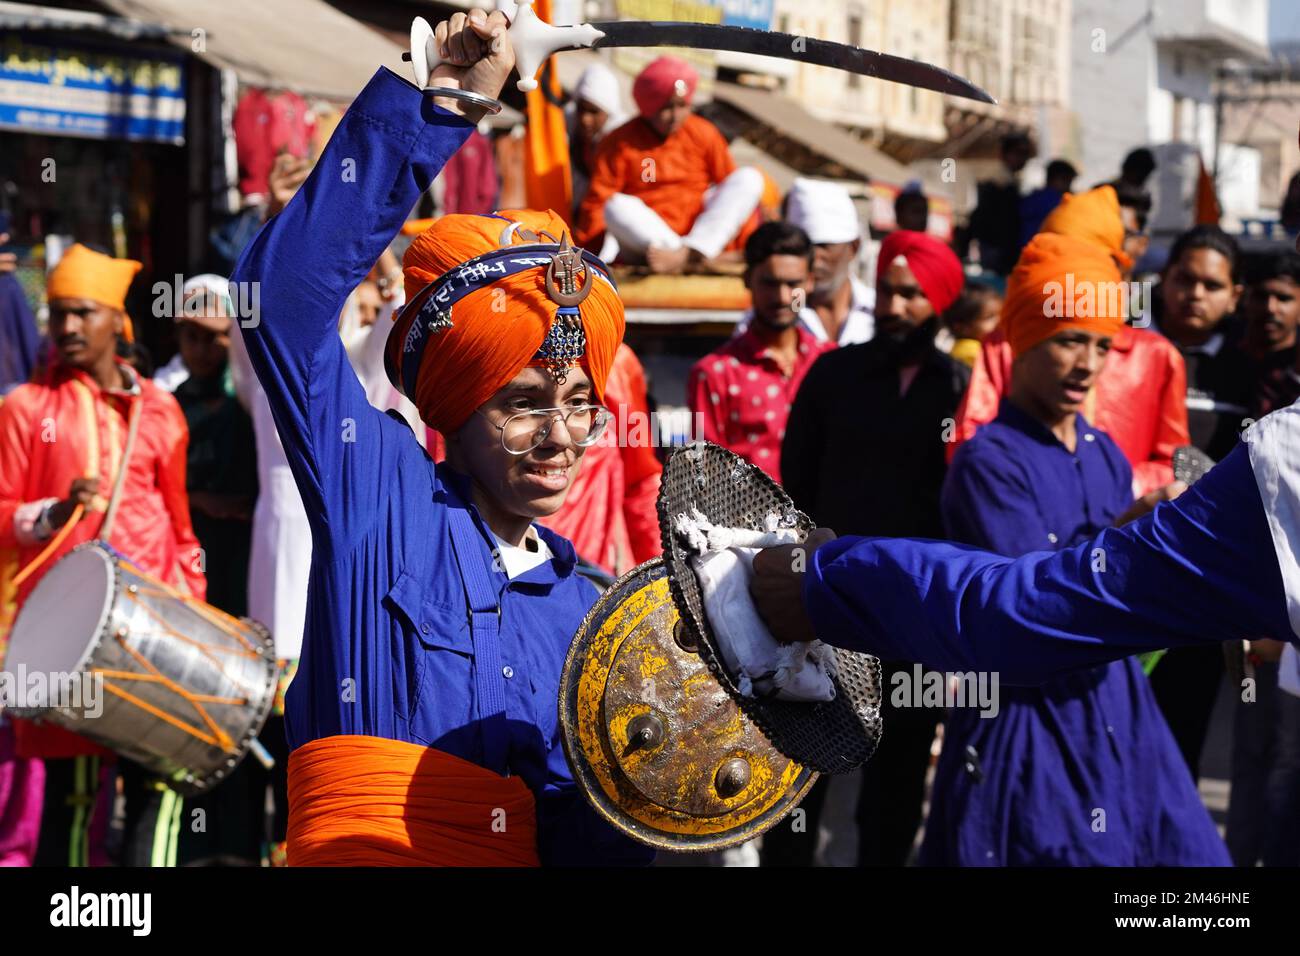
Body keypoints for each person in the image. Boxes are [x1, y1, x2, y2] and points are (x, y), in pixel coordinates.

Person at [230, 8, 650, 866]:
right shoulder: (381, 499)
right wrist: (446, 106)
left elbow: (593, 833)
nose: (560, 436)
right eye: (525, 402)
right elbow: (282, 303)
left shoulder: (592, 611)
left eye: (580, 403)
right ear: (454, 405)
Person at [919, 231, 1224, 865]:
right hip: (1026, 718)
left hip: (1117, 703)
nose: (1087, 364)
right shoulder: (988, 462)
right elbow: (1035, 605)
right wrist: (1132, 531)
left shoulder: (1104, 453)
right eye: (1068, 340)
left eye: (1102, 345)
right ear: (1023, 342)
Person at [766, 228, 967, 867]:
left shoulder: (960, 390)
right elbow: (792, 485)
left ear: (938, 302)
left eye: (912, 294)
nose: (894, 306)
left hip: (915, 612)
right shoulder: (835, 374)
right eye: (888, 291)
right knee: (800, 780)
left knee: (899, 779)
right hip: (825, 604)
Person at [0, 244, 206, 867]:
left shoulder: (162, 409)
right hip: (71, 635)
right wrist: (52, 514)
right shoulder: (24, 409)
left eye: (80, 313)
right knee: (74, 797)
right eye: (57, 314)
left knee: (157, 791)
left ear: (117, 321)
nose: (64, 327)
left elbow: (181, 525)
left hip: (154, 629)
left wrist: (193, 612)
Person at [952, 184, 1187, 495]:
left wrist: (1119, 488)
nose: (1088, 364)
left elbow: (1174, 461)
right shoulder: (1008, 342)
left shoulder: (1157, 356)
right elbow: (967, 439)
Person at [575, 56, 763, 274]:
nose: (675, 116)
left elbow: (729, 197)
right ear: (648, 105)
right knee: (615, 205)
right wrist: (588, 258)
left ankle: (689, 254)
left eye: (682, 106)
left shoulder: (703, 132)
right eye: (666, 107)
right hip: (648, 246)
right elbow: (598, 203)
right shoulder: (619, 141)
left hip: (699, 238)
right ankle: (688, 258)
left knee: (749, 178)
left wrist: (743, 248)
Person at [687, 222, 834, 484]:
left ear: (811, 281)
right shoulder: (714, 374)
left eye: (793, 283)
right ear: (747, 280)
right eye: (769, 283)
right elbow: (703, 477)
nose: (782, 296)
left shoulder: (833, 363)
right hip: (745, 524)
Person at [783, 177, 874, 345]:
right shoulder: (777, 314)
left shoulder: (878, 312)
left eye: (824, 246)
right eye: (805, 247)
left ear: (853, 248)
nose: (814, 257)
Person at [964, 132, 1032, 275]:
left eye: (1026, 154)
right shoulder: (995, 180)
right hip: (994, 247)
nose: (1023, 158)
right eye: (1018, 153)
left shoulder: (1011, 180)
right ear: (1005, 154)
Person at [566, 63, 626, 214]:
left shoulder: (621, 137)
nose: (585, 119)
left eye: (594, 112)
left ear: (608, 112)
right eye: (581, 109)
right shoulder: (568, 120)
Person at [1017, 158, 1077, 249]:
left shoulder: (1032, 198)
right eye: (1067, 181)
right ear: (1056, 179)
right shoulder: (1058, 201)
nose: (1069, 187)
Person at [944, 280, 1002, 368]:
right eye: (990, 317)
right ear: (962, 328)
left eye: (1001, 314)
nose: (999, 321)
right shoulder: (971, 353)